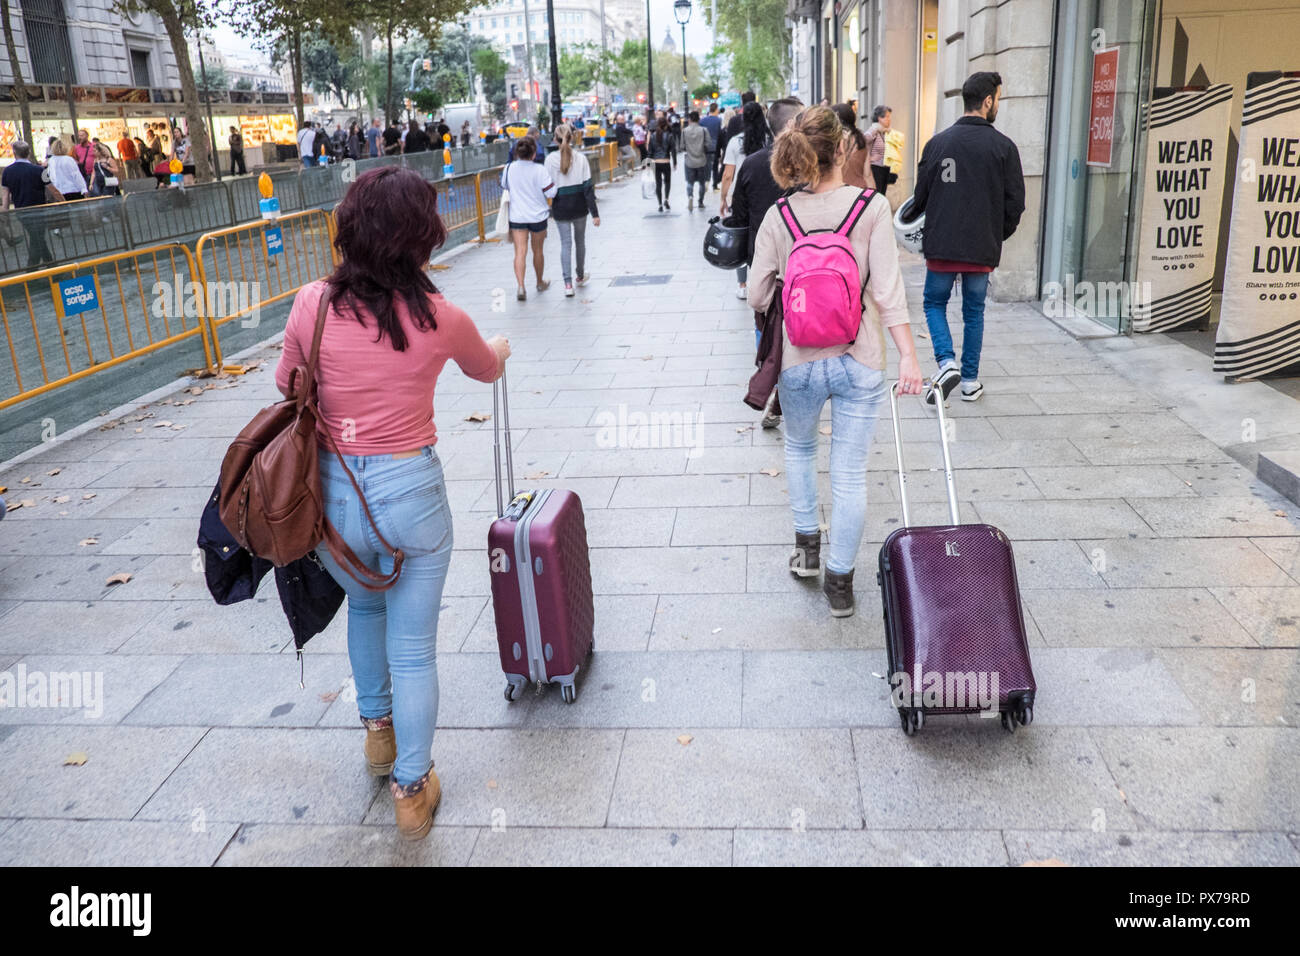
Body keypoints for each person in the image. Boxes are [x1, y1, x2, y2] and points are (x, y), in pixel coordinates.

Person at [274, 166, 510, 841]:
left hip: (334, 494)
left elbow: (288, 381)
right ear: (420, 238)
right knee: (414, 648)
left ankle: (377, 736)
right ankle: (412, 789)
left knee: (365, 608)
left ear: (350, 229)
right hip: (410, 495)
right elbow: (486, 367)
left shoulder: (310, 304)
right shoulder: (440, 315)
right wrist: (499, 346)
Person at [749, 105, 924, 618]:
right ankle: (841, 583)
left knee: (801, 450)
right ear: (843, 149)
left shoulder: (779, 215)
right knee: (849, 474)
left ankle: (806, 551)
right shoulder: (870, 208)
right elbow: (890, 292)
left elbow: (757, 294)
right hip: (861, 354)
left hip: (799, 361)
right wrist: (909, 357)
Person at [913, 71, 1024, 407]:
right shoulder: (1004, 147)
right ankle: (970, 382)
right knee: (974, 312)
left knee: (934, 303)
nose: (997, 106)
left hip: (941, 245)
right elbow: (1015, 204)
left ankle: (946, 363)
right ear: (988, 101)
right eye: (998, 100)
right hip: (981, 248)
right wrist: (996, 234)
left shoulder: (937, 144)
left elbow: (920, 198)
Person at [728, 96, 804, 429]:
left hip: (765, 264)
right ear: (790, 125)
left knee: (766, 326)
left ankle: (775, 383)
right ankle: (787, 391)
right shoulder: (810, 165)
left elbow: (739, 216)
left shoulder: (752, 163)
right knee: (800, 330)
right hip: (804, 263)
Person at [719, 100, 772, 299]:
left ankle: (742, 284)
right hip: (766, 192)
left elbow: (727, 174)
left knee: (742, 235)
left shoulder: (735, 141)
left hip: (740, 194)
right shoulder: (769, 139)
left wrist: (723, 198)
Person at [544, 123, 600, 297]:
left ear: (555, 139)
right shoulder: (581, 158)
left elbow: (547, 187)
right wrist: (595, 214)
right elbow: (588, 188)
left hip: (560, 206)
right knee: (580, 241)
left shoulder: (549, 160)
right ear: (572, 137)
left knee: (565, 244)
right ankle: (580, 275)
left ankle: (567, 284)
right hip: (579, 205)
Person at [501, 136, 555, 300]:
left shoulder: (509, 169)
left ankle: (521, 287)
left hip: (517, 216)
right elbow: (550, 192)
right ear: (533, 154)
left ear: (517, 153)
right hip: (538, 216)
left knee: (520, 252)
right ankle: (539, 282)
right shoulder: (540, 170)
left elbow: (504, 186)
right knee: (537, 250)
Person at [1, 140, 55, 268]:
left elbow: (6, 194)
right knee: (38, 237)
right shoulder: (40, 169)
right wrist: (63, 201)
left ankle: (41, 266)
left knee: (36, 237)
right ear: (29, 152)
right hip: (39, 209)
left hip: (22, 210)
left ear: (14, 153)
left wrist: (5, 210)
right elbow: (52, 188)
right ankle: (42, 266)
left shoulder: (8, 172)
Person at [833, 103, 870, 191]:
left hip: (839, 191)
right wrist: (872, 197)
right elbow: (868, 174)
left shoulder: (833, 140)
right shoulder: (861, 139)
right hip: (860, 191)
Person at [680, 111, 709, 211]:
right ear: (699, 119)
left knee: (689, 182)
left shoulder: (684, 131)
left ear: (690, 119)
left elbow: (682, 146)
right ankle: (700, 202)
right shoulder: (704, 130)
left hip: (689, 161)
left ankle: (690, 197)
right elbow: (708, 144)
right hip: (701, 160)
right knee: (702, 183)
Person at [647, 118, 676, 212]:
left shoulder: (652, 136)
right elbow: (673, 150)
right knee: (667, 182)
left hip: (656, 163)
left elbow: (650, 152)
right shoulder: (669, 136)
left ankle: (659, 204)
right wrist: (675, 162)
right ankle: (666, 200)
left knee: (658, 184)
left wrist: (648, 164)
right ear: (666, 125)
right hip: (666, 162)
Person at [700, 102, 722, 189]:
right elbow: (721, 134)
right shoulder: (719, 120)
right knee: (715, 166)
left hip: (705, 146)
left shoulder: (702, 121)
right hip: (716, 146)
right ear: (716, 110)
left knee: (706, 165)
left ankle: (706, 181)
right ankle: (715, 185)